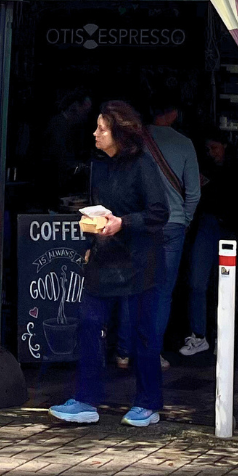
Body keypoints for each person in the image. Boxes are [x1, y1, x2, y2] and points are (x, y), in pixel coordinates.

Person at [48, 100, 169, 428]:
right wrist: (92, 235)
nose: (95, 133)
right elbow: (101, 207)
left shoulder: (143, 165)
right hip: (104, 257)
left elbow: (160, 212)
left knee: (142, 332)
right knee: (88, 324)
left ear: (119, 133)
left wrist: (124, 223)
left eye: (102, 128)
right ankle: (86, 399)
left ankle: (147, 403)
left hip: (140, 260)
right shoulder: (99, 166)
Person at [119, 99, 198, 370]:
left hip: (141, 224)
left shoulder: (137, 141)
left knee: (134, 288)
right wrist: (183, 219)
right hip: (172, 225)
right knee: (162, 292)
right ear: (174, 112)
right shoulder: (184, 144)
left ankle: (124, 352)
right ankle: (151, 352)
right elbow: (194, 193)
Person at [179, 131, 238, 357]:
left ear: (225, 146)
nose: (211, 153)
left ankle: (222, 334)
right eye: (209, 149)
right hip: (209, 224)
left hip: (227, 227)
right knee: (198, 282)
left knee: (224, 283)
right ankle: (200, 334)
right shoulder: (206, 169)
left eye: (215, 148)